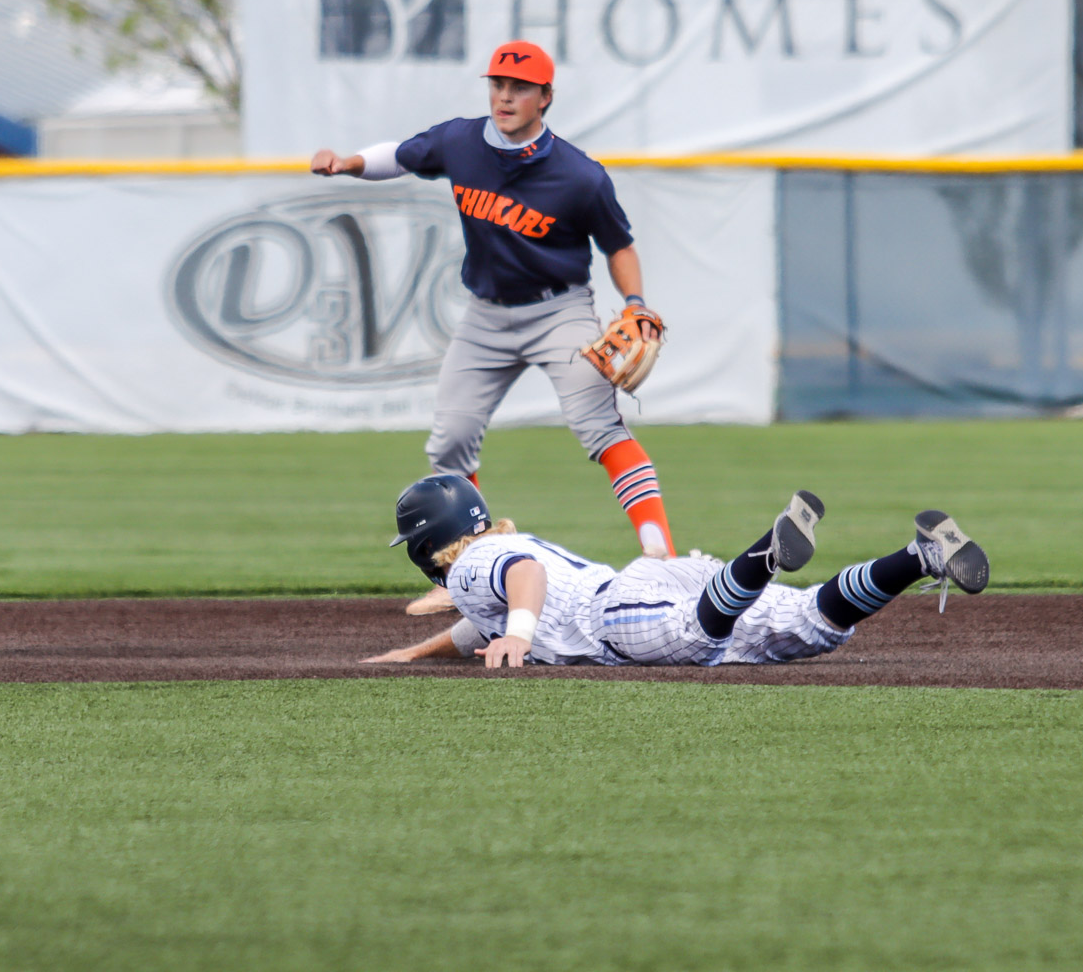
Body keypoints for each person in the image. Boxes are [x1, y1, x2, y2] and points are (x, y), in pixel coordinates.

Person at [311, 40, 670, 617]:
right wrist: (349, 162)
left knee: (598, 426)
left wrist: (635, 300)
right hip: (486, 315)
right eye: (498, 84)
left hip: (560, 312)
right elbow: (400, 156)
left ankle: (661, 557)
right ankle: (465, 573)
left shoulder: (580, 176)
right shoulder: (460, 140)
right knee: (451, 438)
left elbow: (618, 245)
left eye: (520, 87)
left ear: (545, 96)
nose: (505, 95)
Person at [364, 474, 990, 669]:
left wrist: (522, 635)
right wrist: (412, 654)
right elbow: (481, 626)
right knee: (807, 628)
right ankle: (921, 556)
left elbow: (523, 578)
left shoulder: (470, 566)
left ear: (427, 541)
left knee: (695, 635)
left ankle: (767, 555)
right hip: (655, 581)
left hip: (615, 614)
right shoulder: (497, 548)